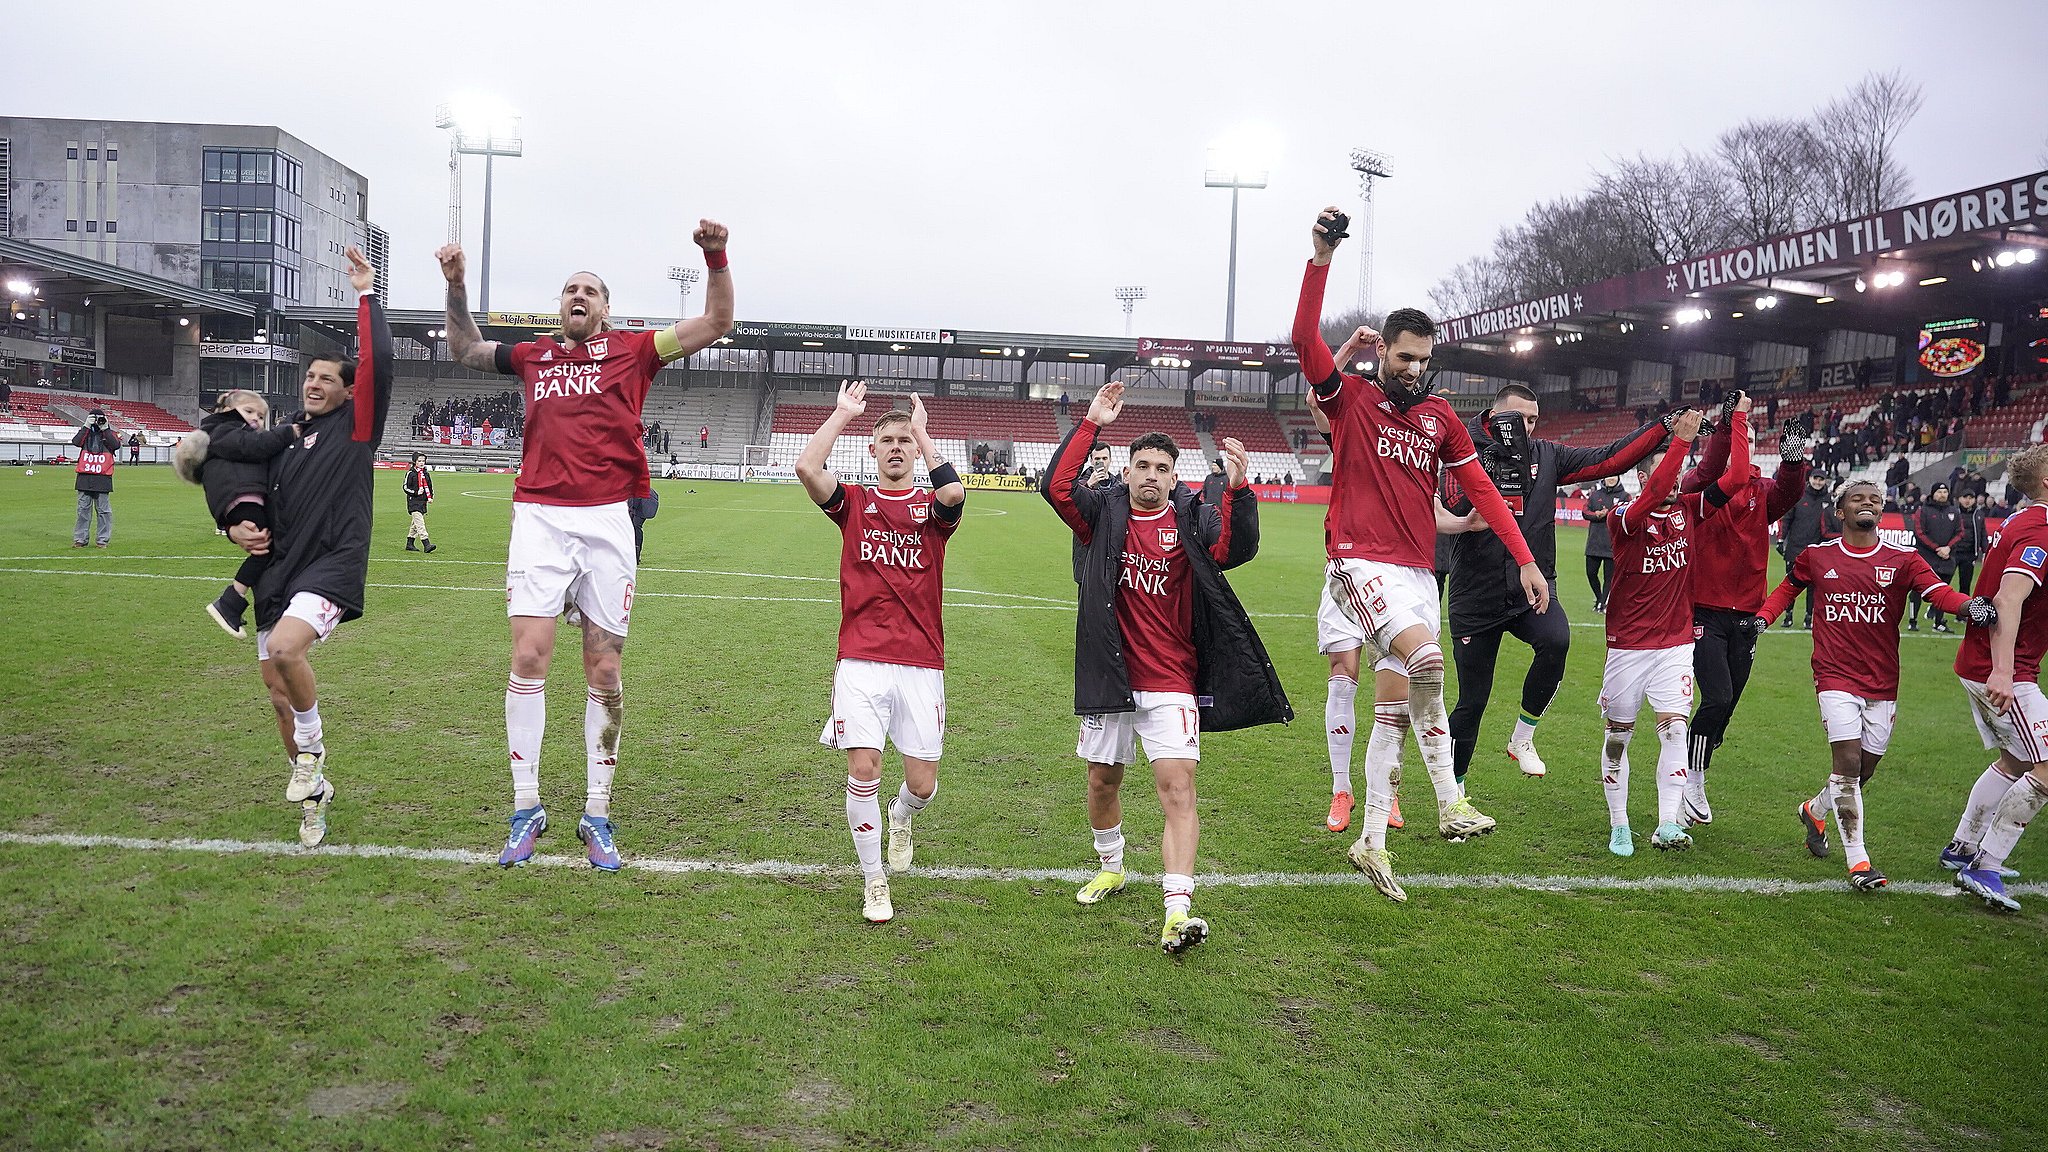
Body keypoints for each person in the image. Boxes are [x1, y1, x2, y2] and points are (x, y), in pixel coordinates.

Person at [438, 219, 734, 872]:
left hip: (608, 520)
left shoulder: (636, 350)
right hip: (540, 516)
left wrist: (714, 255)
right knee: (528, 655)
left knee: (603, 671)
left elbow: (715, 321)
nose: (577, 296)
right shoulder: (533, 357)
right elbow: (463, 348)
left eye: (589, 290)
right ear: (560, 305)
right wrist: (456, 286)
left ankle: (597, 814)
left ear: (605, 308)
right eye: (569, 289)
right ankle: (526, 808)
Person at [1293, 206, 1547, 902]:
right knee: (1430, 662)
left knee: (1394, 707)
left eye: (1425, 360)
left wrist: (1524, 557)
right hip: (1355, 562)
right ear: (1384, 354)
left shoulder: (1439, 420)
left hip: (1412, 572)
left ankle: (1372, 842)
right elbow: (1303, 341)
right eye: (1405, 357)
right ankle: (1450, 801)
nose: (1414, 369)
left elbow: (1483, 492)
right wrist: (1321, 261)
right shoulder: (1350, 400)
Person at [1042, 381, 1288, 954]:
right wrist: (1092, 423)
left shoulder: (1190, 522)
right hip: (1111, 674)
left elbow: (1233, 549)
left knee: (1177, 789)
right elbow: (1056, 487)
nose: (1151, 475)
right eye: (1142, 466)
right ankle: (1111, 865)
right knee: (1103, 781)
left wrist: (1241, 488)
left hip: (1173, 680)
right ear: (1126, 473)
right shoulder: (1102, 515)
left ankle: (1177, 910)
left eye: (1161, 468)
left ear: (1175, 477)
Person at [223, 247, 390, 850]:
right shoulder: (286, 436)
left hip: (332, 565)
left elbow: (381, 364)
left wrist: (366, 294)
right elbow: (241, 488)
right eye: (310, 377)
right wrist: (235, 525)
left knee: (290, 653)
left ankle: (313, 754)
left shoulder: (357, 427)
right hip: (278, 572)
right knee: (276, 693)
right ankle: (315, 796)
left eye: (328, 379)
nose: (315, 384)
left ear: (350, 391)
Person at [1754, 479, 1992, 889]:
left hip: (1882, 680)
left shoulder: (1904, 559)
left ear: (1881, 512)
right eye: (1858, 499)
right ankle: (1859, 862)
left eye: (1875, 500)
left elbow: (1938, 593)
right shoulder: (1817, 556)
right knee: (1846, 765)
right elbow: (1785, 590)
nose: (1868, 504)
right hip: (1833, 674)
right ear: (1840, 511)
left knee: (1865, 769)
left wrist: (1970, 607)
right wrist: (1761, 620)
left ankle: (1814, 809)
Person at [796, 383, 965, 923]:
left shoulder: (932, 511)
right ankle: (874, 882)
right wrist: (843, 414)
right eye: (887, 440)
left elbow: (955, 496)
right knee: (863, 766)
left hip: (921, 661)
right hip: (861, 659)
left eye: (904, 441)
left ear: (915, 450)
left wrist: (924, 431)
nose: (896, 447)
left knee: (923, 783)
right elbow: (806, 467)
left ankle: (903, 814)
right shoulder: (855, 505)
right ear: (872, 451)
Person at [1443, 384, 1665, 784]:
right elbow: (1453, 506)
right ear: (1494, 418)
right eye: (1518, 419)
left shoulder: (1547, 454)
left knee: (1557, 640)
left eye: (1532, 419)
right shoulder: (1463, 449)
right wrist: (1492, 466)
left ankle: (1522, 737)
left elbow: (1608, 459)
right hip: (1475, 593)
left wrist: (1664, 426)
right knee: (1471, 702)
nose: (1527, 428)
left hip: (1532, 586)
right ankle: (1453, 790)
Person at [1599, 403, 1749, 856]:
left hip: (1675, 643)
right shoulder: (1625, 517)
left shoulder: (1688, 509)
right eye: (1660, 474)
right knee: (1617, 740)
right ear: (1643, 479)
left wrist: (1735, 422)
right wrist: (1679, 442)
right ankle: (1619, 821)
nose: (1668, 482)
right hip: (1628, 646)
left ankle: (1667, 823)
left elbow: (1737, 479)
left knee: (1674, 732)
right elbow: (1660, 485)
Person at [1677, 391, 1813, 825]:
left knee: (1729, 701)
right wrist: (1728, 421)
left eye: (1749, 437)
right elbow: (1719, 464)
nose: (1744, 441)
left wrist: (1793, 457)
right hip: (1703, 611)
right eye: (1740, 436)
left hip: (1747, 615)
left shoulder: (1765, 491)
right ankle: (1692, 778)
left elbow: (1791, 489)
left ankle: (1698, 754)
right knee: (1716, 694)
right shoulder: (1701, 484)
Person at [1945, 445, 2048, 912]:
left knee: (2014, 760)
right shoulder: (2040, 529)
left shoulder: (2020, 519)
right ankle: (1985, 863)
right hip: (2004, 668)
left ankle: (1963, 847)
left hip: (1984, 661)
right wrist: (2005, 671)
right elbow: (2008, 600)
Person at [173, 389, 304, 638]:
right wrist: (288, 432)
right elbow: (254, 446)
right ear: (225, 412)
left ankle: (233, 601)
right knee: (266, 547)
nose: (255, 418)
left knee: (266, 549)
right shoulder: (223, 431)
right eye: (249, 411)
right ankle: (230, 601)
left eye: (260, 415)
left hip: (243, 498)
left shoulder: (227, 433)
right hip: (241, 498)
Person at [1779, 470, 1839, 629]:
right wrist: (1780, 539)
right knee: (1791, 585)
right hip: (1795, 549)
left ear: (1825, 481)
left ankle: (1809, 617)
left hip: (1817, 551)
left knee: (1813, 588)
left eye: (1821, 480)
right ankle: (1788, 616)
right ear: (1810, 479)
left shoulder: (1829, 500)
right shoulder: (1799, 496)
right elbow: (1787, 519)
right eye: (1815, 479)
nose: (1818, 482)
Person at [1911, 482, 1963, 632]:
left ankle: (1939, 622)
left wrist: (1948, 548)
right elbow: (1920, 532)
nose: (1942, 494)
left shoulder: (1954, 511)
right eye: (1939, 492)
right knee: (1917, 590)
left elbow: (1960, 532)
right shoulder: (1924, 510)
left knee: (1943, 592)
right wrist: (1936, 548)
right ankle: (1913, 620)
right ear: (1933, 494)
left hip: (1947, 558)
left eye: (1945, 492)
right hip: (1926, 558)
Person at [71, 408, 122, 547]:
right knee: (83, 510)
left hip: (102, 477)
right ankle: (80, 539)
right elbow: (76, 441)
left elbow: (115, 445)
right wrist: (86, 425)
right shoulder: (85, 433)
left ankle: (102, 540)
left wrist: (105, 428)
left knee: (104, 511)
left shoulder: (109, 433)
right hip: (85, 477)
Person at [1583, 476, 1625, 612]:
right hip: (1594, 543)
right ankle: (1600, 598)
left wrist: (1610, 513)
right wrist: (1596, 515)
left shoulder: (1625, 496)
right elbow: (1584, 511)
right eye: (1609, 476)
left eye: (1614, 476)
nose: (1611, 479)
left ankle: (1602, 604)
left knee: (1609, 577)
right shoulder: (1595, 495)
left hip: (1612, 545)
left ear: (1618, 478)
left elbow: (1627, 513)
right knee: (1591, 573)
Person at [1955, 488, 1988, 596]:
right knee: (1943, 583)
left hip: (1969, 554)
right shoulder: (1953, 512)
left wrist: (1985, 551)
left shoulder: (1978, 514)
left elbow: (1983, 533)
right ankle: (1935, 610)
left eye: (1971, 498)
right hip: (1953, 552)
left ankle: (1961, 612)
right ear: (1959, 499)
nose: (1967, 501)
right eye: (1965, 498)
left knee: (1965, 586)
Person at [402, 453, 437, 553]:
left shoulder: (426, 474)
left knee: (415, 524)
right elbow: (405, 487)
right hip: (413, 502)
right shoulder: (411, 473)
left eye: (423, 461)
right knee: (420, 523)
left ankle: (410, 543)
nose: (421, 463)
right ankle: (426, 544)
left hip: (423, 502)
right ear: (414, 462)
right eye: (419, 461)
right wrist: (416, 492)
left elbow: (429, 486)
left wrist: (430, 497)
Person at [626, 487, 658, 562]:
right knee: (633, 528)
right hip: (637, 507)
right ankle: (634, 553)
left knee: (636, 527)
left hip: (640, 508)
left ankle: (636, 553)